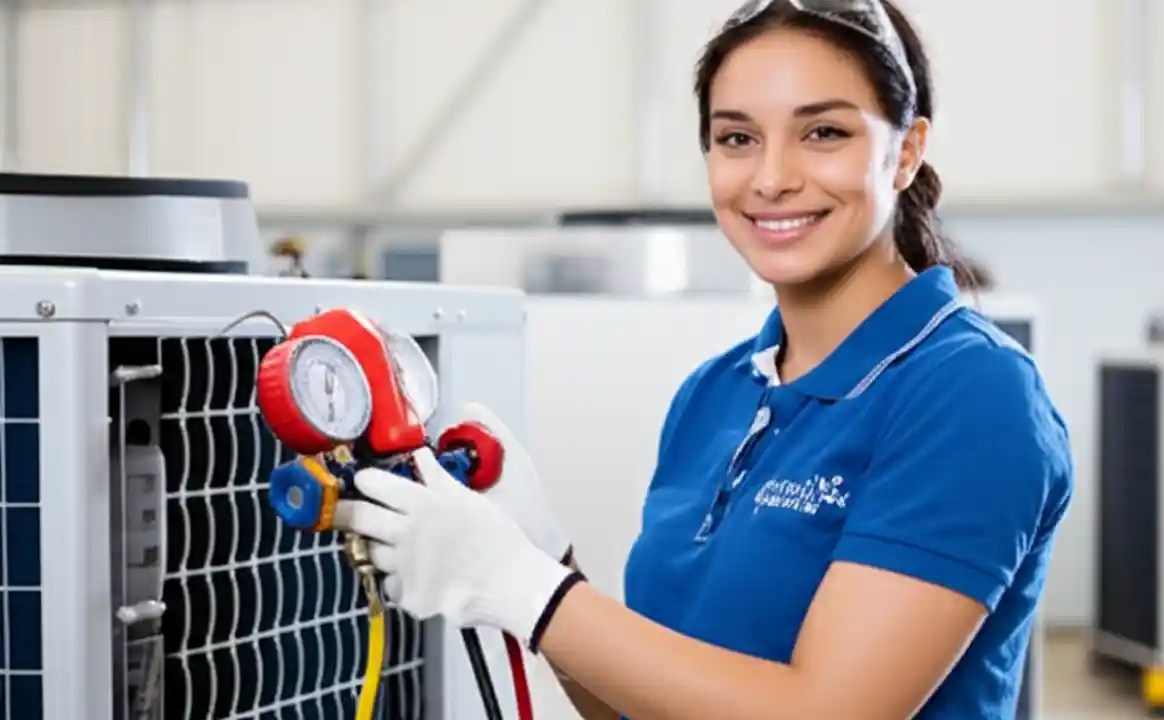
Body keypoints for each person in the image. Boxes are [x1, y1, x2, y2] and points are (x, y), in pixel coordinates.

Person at [332, 0, 1073, 717]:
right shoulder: (714, 394)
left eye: (823, 132)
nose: (772, 177)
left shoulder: (971, 394)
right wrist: (544, 555)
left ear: (905, 152)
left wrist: (526, 589)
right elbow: (644, 704)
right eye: (737, 138)